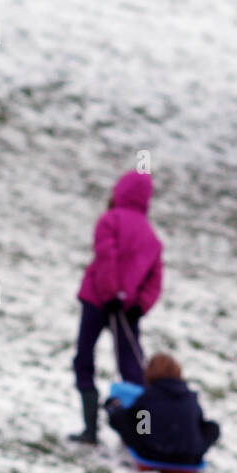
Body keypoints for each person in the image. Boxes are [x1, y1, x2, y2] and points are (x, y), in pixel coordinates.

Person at [69, 170, 163, 444]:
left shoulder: (109, 221)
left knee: (84, 359)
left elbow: (106, 257)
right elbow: (155, 279)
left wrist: (111, 294)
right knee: (132, 368)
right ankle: (138, 432)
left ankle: (90, 429)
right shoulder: (151, 236)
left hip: (97, 301)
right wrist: (139, 305)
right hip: (128, 310)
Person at [103, 353, 219, 465]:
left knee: (125, 417)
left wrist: (115, 407)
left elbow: (138, 424)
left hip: (154, 454)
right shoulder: (189, 398)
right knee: (212, 426)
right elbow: (199, 424)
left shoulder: (149, 397)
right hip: (190, 456)